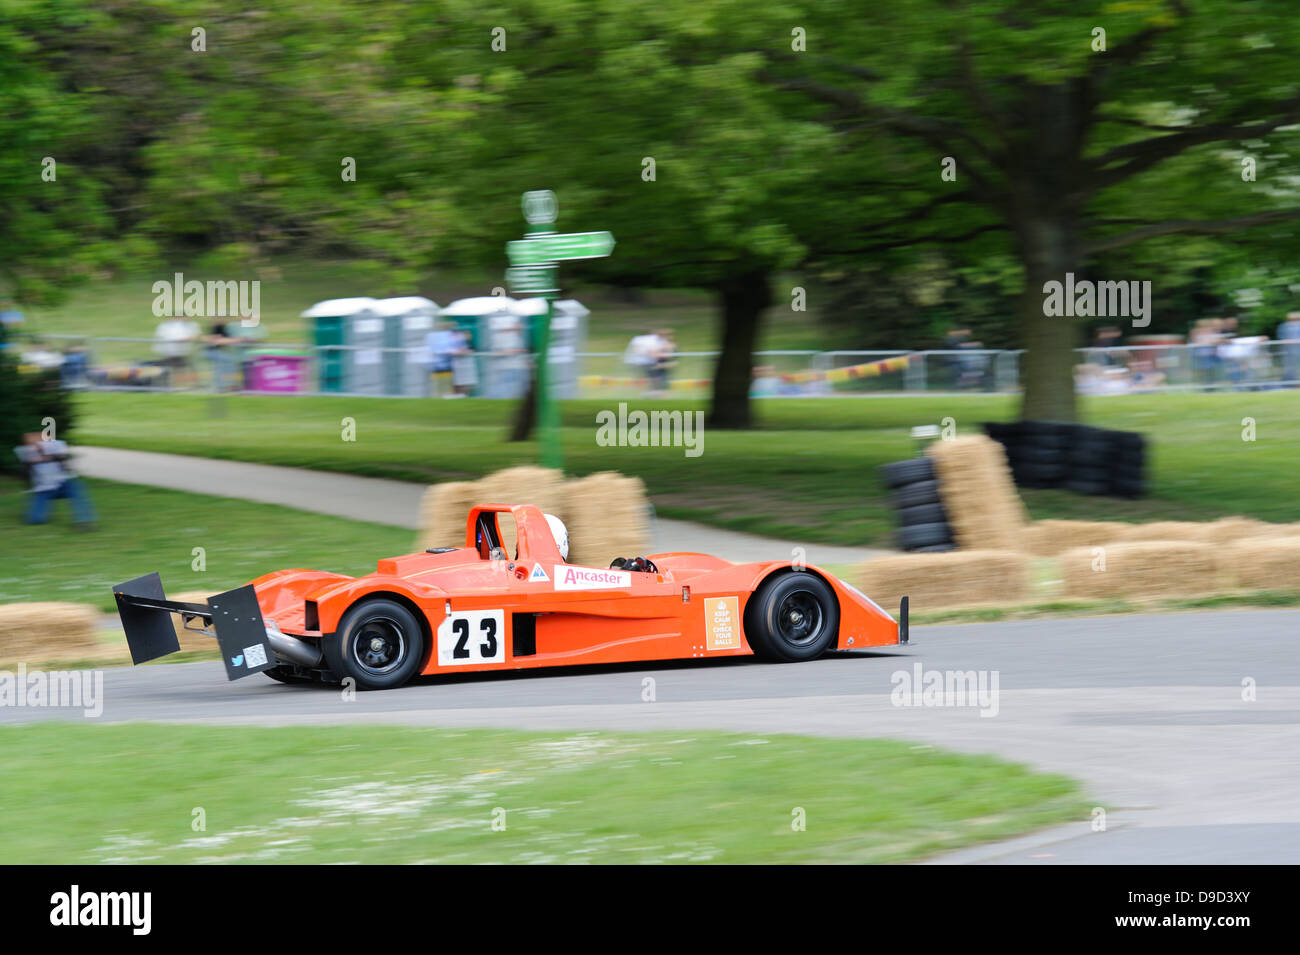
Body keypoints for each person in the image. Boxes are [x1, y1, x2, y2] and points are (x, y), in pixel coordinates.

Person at [14, 433, 95, 528]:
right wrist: (28, 464)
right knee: (35, 520)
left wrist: (52, 458)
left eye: (39, 442)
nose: (37, 445)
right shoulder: (27, 455)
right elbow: (25, 479)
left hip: (62, 485)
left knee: (77, 486)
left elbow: (66, 465)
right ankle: (43, 511)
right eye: (33, 443)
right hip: (43, 490)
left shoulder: (56, 449)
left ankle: (84, 521)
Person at [1278, 311, 1300, 386]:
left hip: (1297, 351)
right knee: (1290, 368)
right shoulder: (1284, 326)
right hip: (1288, 352)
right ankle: (1290, 383)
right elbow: (1281, 337)